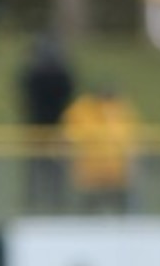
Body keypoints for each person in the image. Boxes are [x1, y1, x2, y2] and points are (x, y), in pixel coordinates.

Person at [60, 82, 143, 215]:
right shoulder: (82, 110)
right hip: (89, 176)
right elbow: (69, 139)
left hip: (117, 176)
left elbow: (131, 143)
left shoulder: (121, 110)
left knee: (123, 212)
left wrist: (132, 167)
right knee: (88, 213)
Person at [17, 34, 77, 212]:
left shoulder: (33, 73)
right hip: (54, 126)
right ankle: (52, 199)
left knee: (39, 166)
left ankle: (36, 199)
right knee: (51, 166)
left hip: (40, 126)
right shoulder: (63, 73)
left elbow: (23, 92)